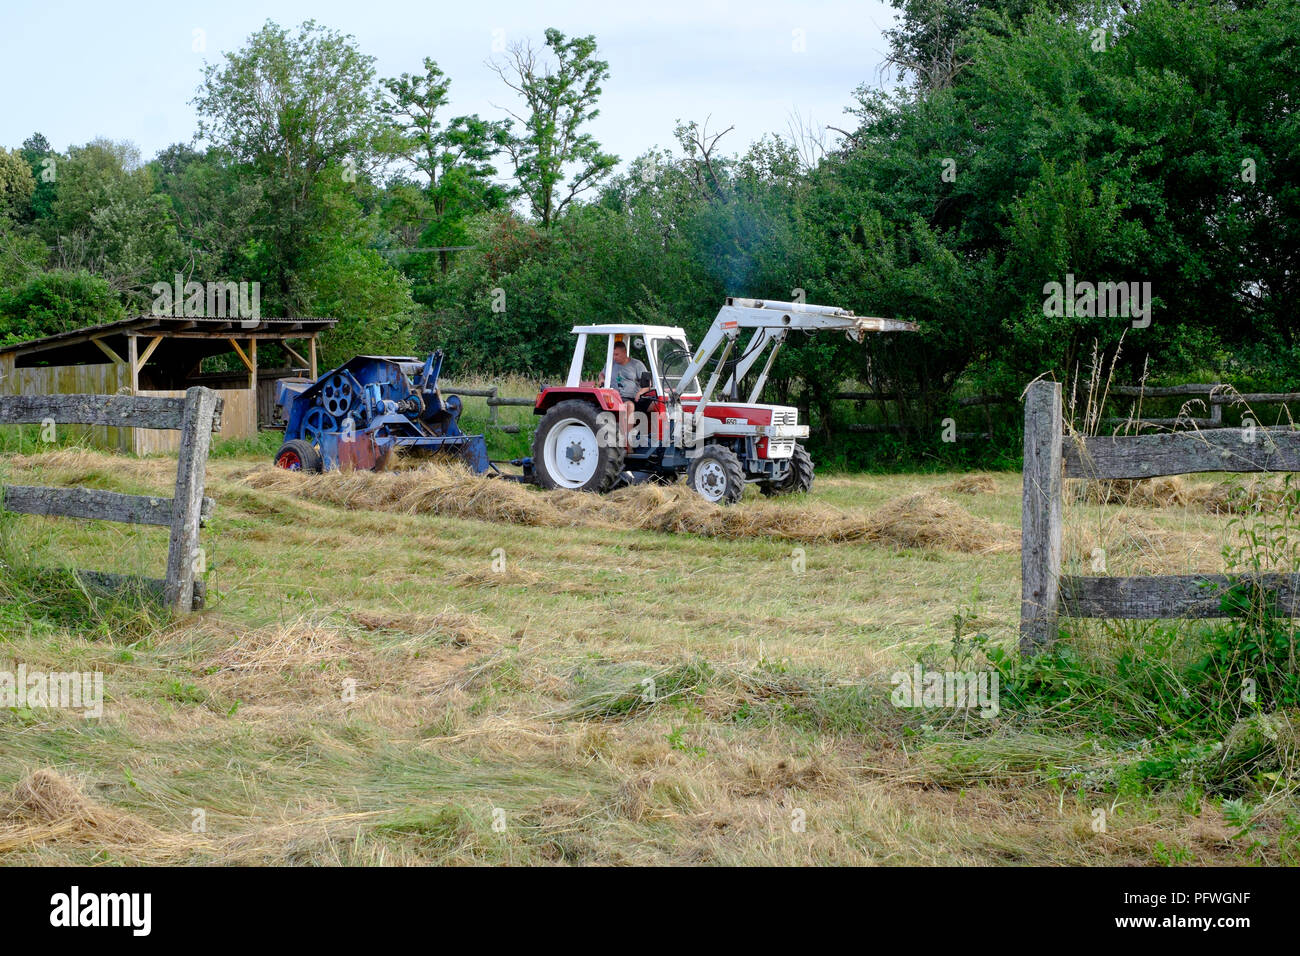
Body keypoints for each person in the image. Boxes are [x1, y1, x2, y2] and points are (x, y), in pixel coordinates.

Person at [610, 341, 653, 441]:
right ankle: (627, 442)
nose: (614, 357)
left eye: (617, 354)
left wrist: (641, 392)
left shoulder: (637, 365)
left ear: (624, 352)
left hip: (637, 396)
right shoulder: (611, 364)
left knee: (657, 405)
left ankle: (656, 436)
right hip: (620, 397)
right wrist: (601, 379)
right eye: (613, 355)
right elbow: (602, 374)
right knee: (629, 406)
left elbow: (647, 385)